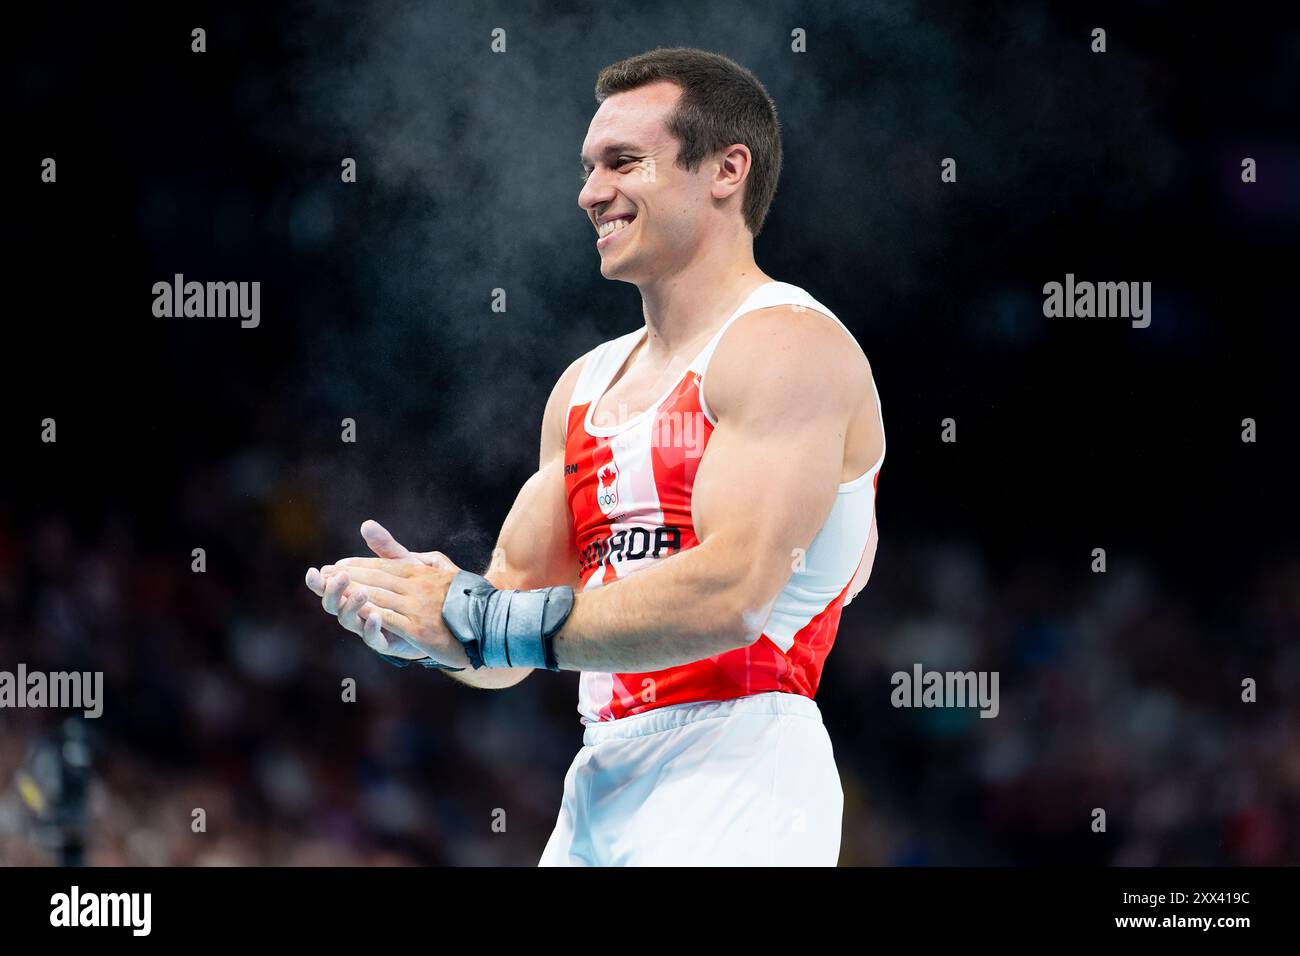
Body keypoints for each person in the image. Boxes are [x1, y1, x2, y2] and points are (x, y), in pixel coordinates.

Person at [305, 47, 885, 866]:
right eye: (586, 168)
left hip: (742, 761)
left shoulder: (791, 346)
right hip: (601, 778)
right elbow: (509, 622)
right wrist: (432, 628)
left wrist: (482, 620)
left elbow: (733, 594)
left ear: (727, 169)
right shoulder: (584, 387)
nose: (589, 193)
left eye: (623, 162)